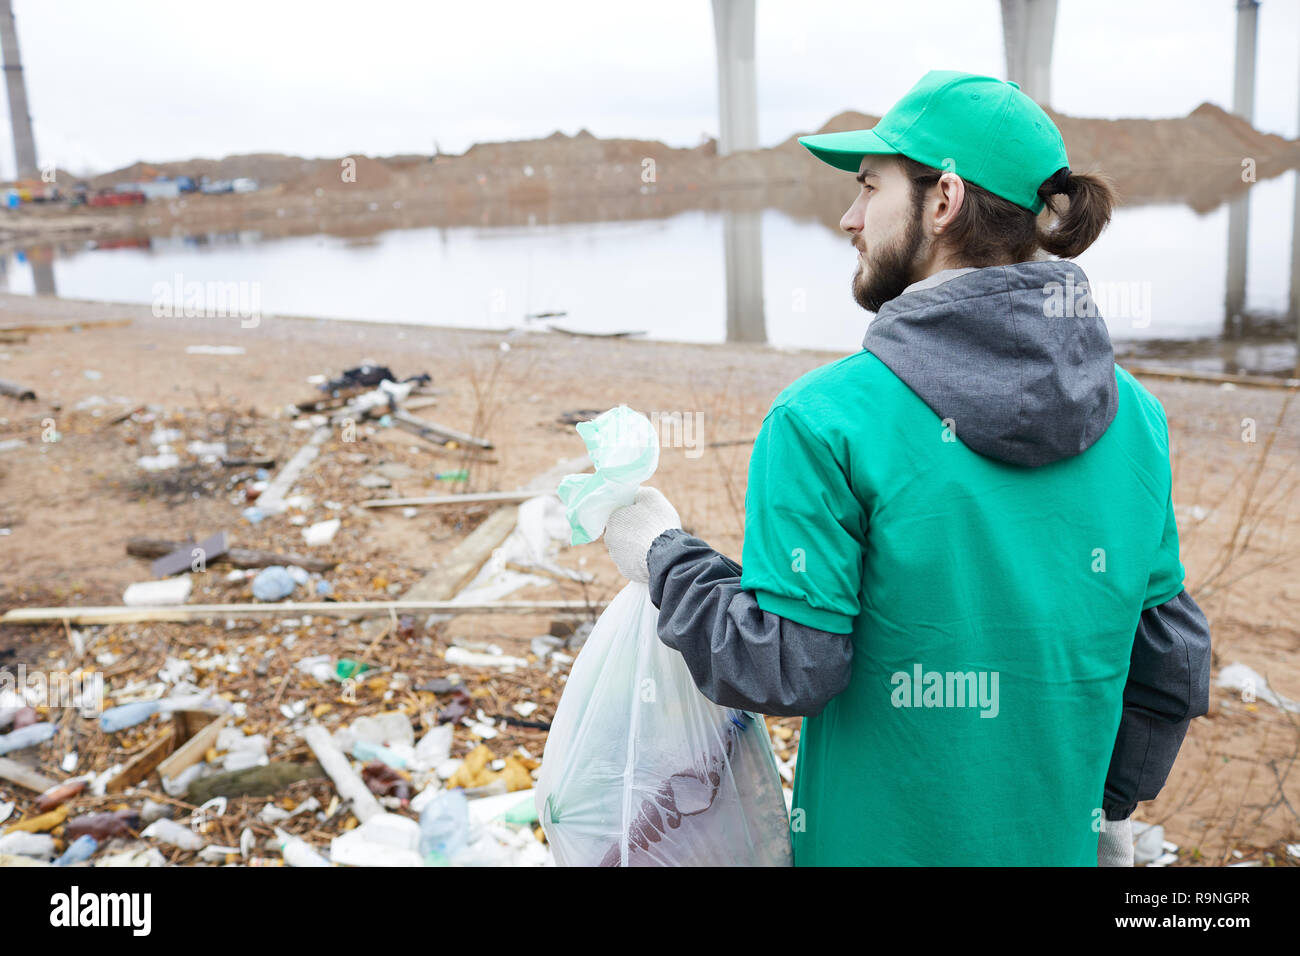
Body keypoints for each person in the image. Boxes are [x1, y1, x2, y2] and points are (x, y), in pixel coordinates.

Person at [602, 70, 1211, 867]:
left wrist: (663, 555)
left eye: (867, 188)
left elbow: (785, 664)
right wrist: (1108, 808)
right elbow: (1172, 657)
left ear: (944, 201)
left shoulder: (823, 419)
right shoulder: (1137, 417)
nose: (849, 219)